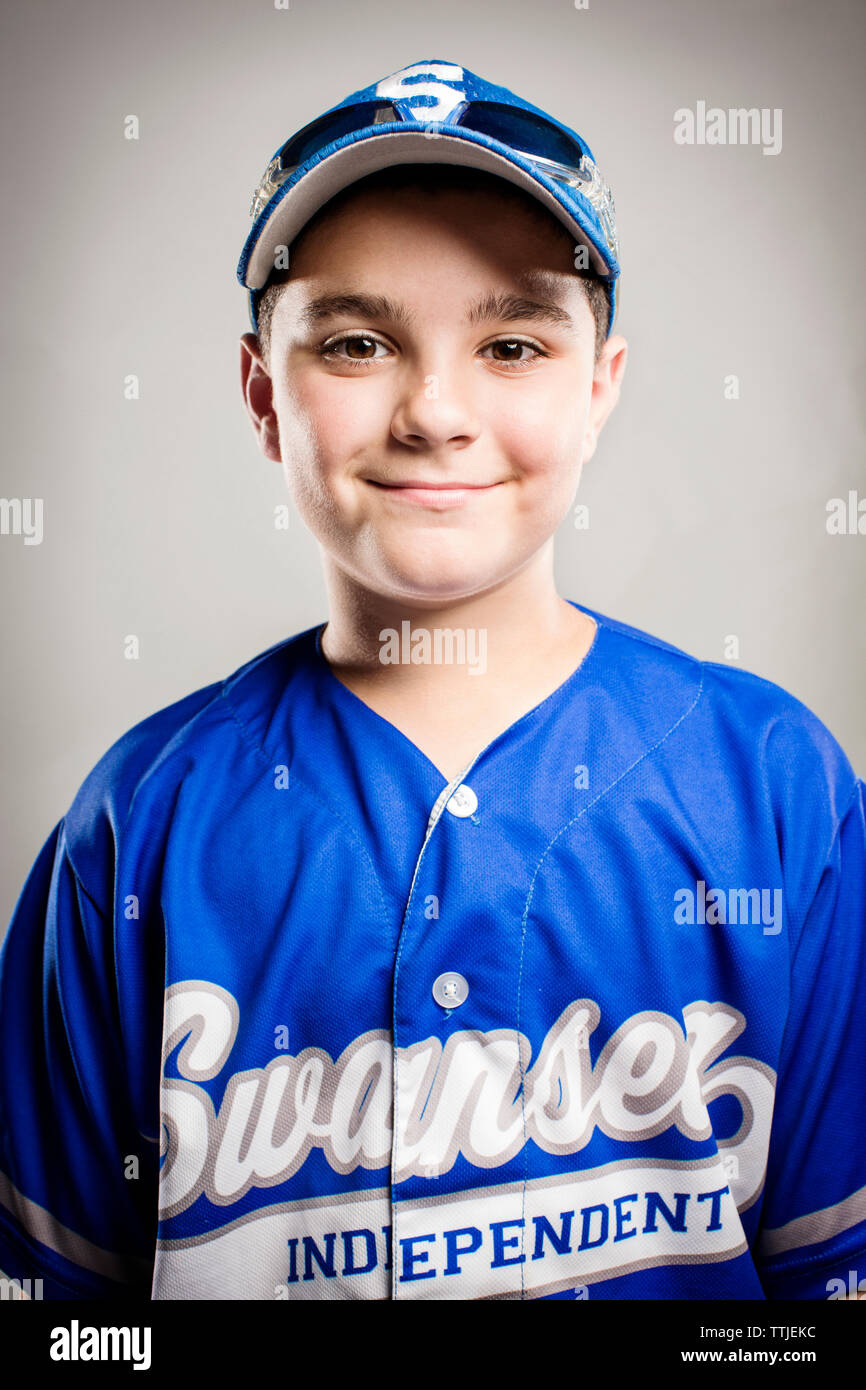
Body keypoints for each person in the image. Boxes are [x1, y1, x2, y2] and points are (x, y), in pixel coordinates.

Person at [1, 58, 864, 1302]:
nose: (434, 411)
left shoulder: (774, 791)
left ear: (597, 391)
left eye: (512, 342)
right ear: (262, 393)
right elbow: (62, 1321)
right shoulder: (140, 824)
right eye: (356, 342)